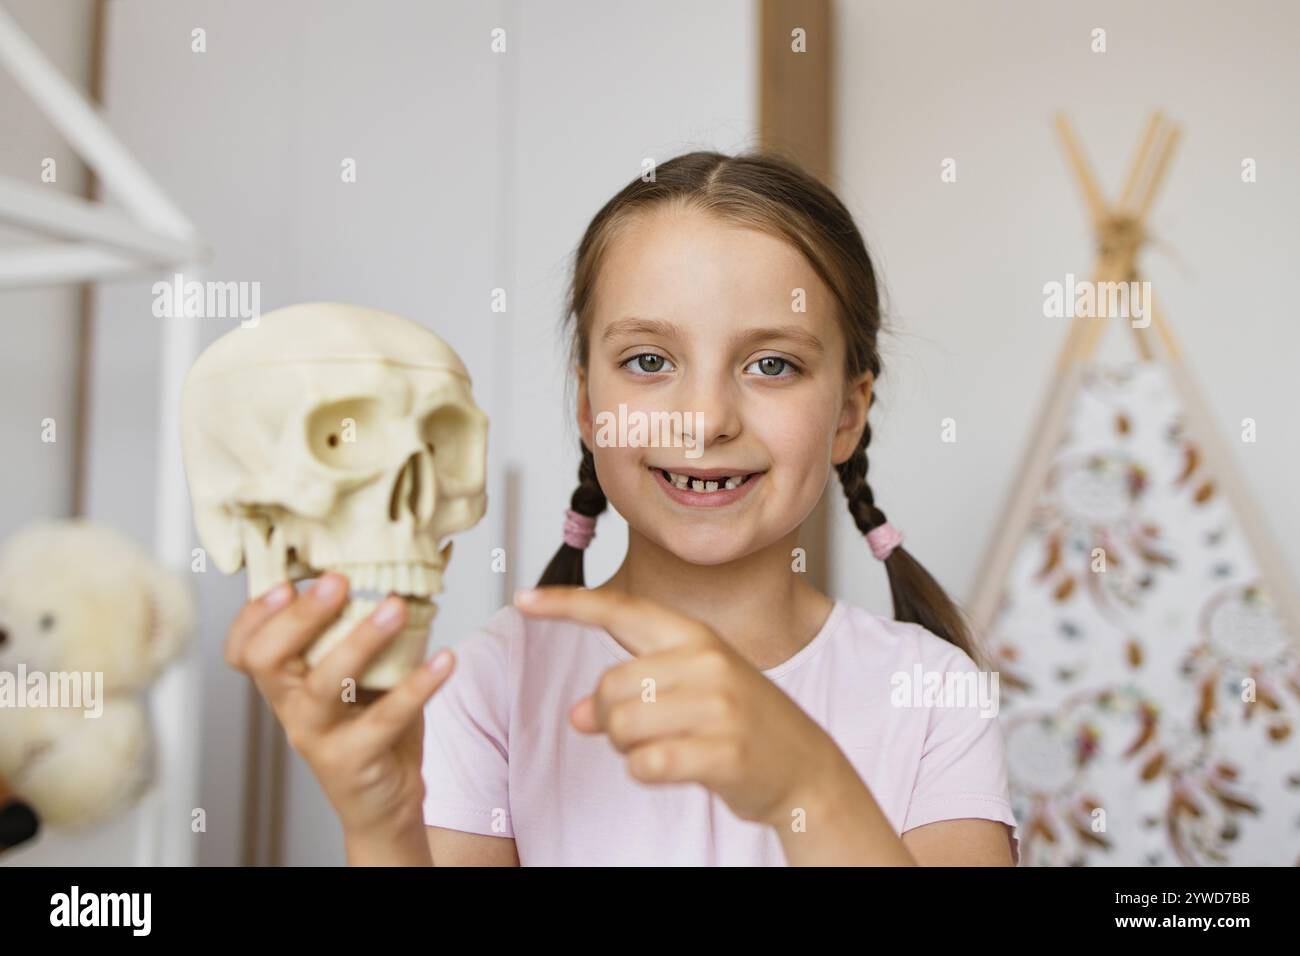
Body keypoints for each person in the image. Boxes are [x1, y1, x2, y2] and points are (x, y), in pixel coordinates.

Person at [225, 151, 1020, 866]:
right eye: (648, 361)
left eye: (772, 364)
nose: (703, 419)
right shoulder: (492, 683)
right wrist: (383, 829)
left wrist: (807, 786)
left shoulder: (934, 694)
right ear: (587, 403)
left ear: (849, 413)